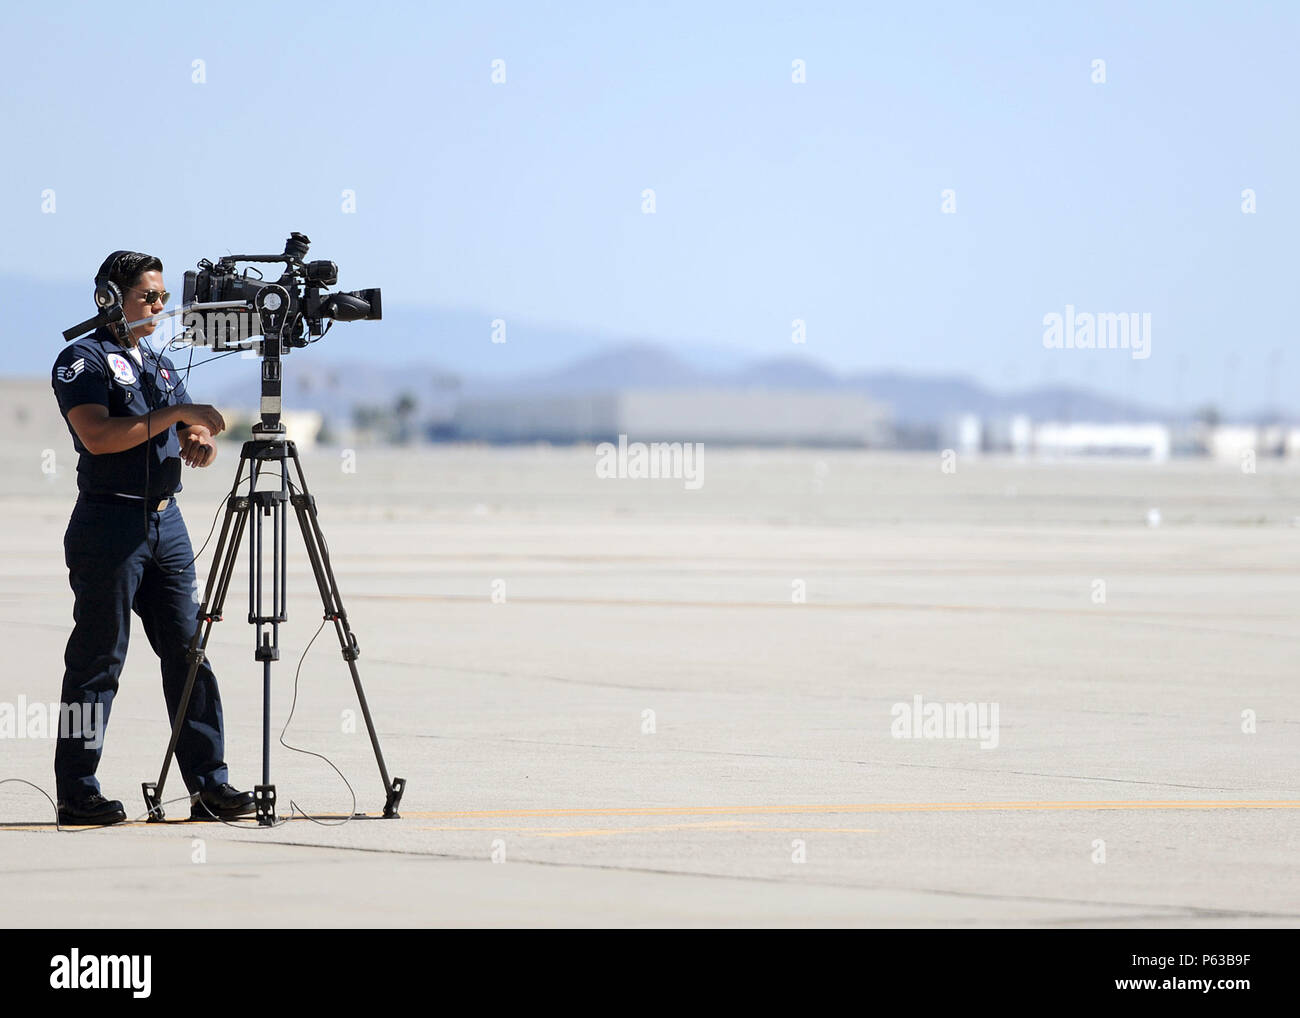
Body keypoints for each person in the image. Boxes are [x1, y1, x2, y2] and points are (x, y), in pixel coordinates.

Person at [50, 250, 254, 825]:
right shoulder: (82, 360)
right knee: (98, 659)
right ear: (110, 298)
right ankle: (77, 791)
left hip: (167, 524)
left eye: (164, 297)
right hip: (109, 524)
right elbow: (98, 436)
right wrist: (177, 415)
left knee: (190, 653)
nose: (160, 307)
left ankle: (209, 785)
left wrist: (198, 440)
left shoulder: (159, 366)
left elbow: (187, 426)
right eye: (149, 297)